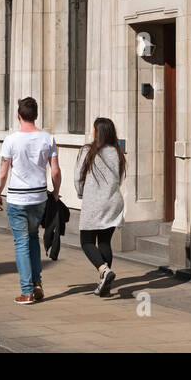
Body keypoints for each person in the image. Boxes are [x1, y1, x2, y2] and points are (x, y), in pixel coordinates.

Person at [0, 97, 60, 306]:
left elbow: (3, 173)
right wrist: (56, 192)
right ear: (37, 115)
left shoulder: (11, 140)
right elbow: (56, 171)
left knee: (21, 243)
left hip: (17, 198)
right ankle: (37, 282)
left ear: (18, 115)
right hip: (39, 197)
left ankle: (27, 291)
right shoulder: (48, 138)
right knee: (33, 238)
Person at [75, 117, 126, 297]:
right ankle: (105, 285)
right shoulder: (117, 152)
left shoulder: (88, 151)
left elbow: (78, 178)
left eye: (94, 130)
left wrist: (81, 193)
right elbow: (119, 178)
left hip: (94, 202)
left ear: (99, 132)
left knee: (86, 241)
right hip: (113, 201)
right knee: (104, 242)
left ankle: (104, 270)